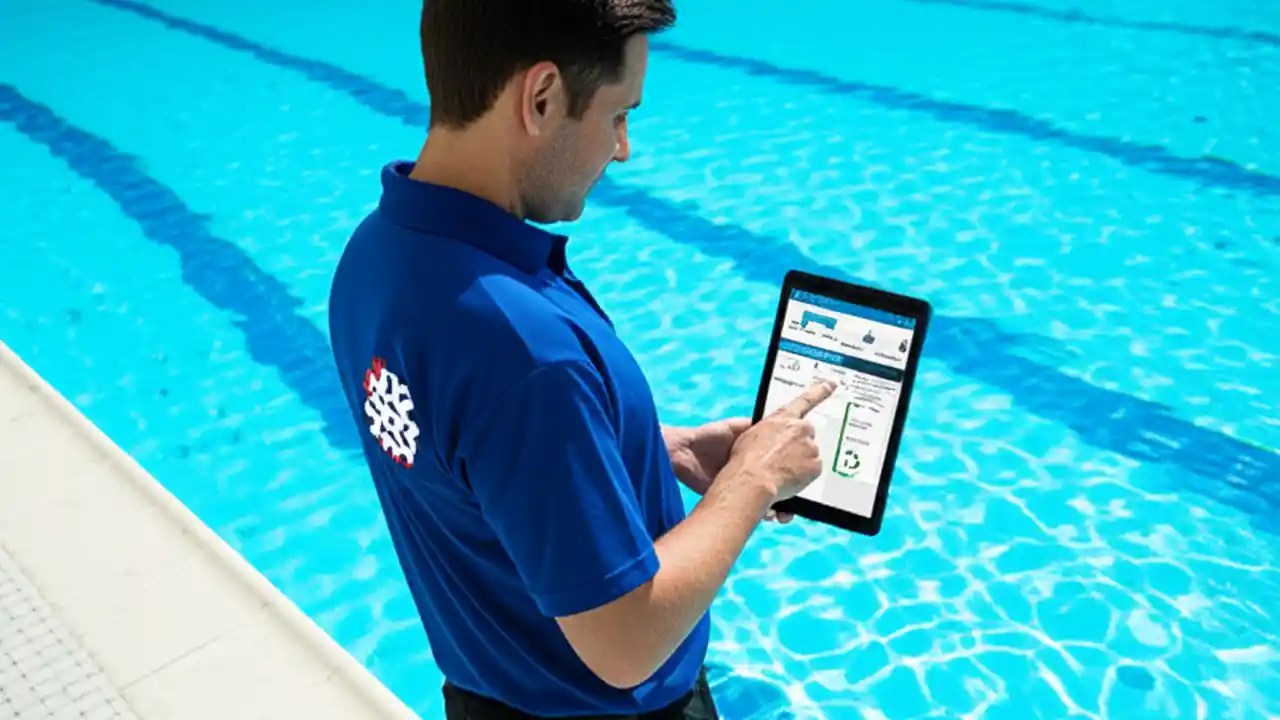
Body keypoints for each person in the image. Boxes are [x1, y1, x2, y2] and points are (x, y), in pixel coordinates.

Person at [327, 1, 836, 718]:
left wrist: (665, 449)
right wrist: (750, 483)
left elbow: (472, 460)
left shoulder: (375, 259)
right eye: (618, 114)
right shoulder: (523, 348)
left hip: (484, 691)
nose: (623, 148)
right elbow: (624, 643)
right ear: (540, 100)